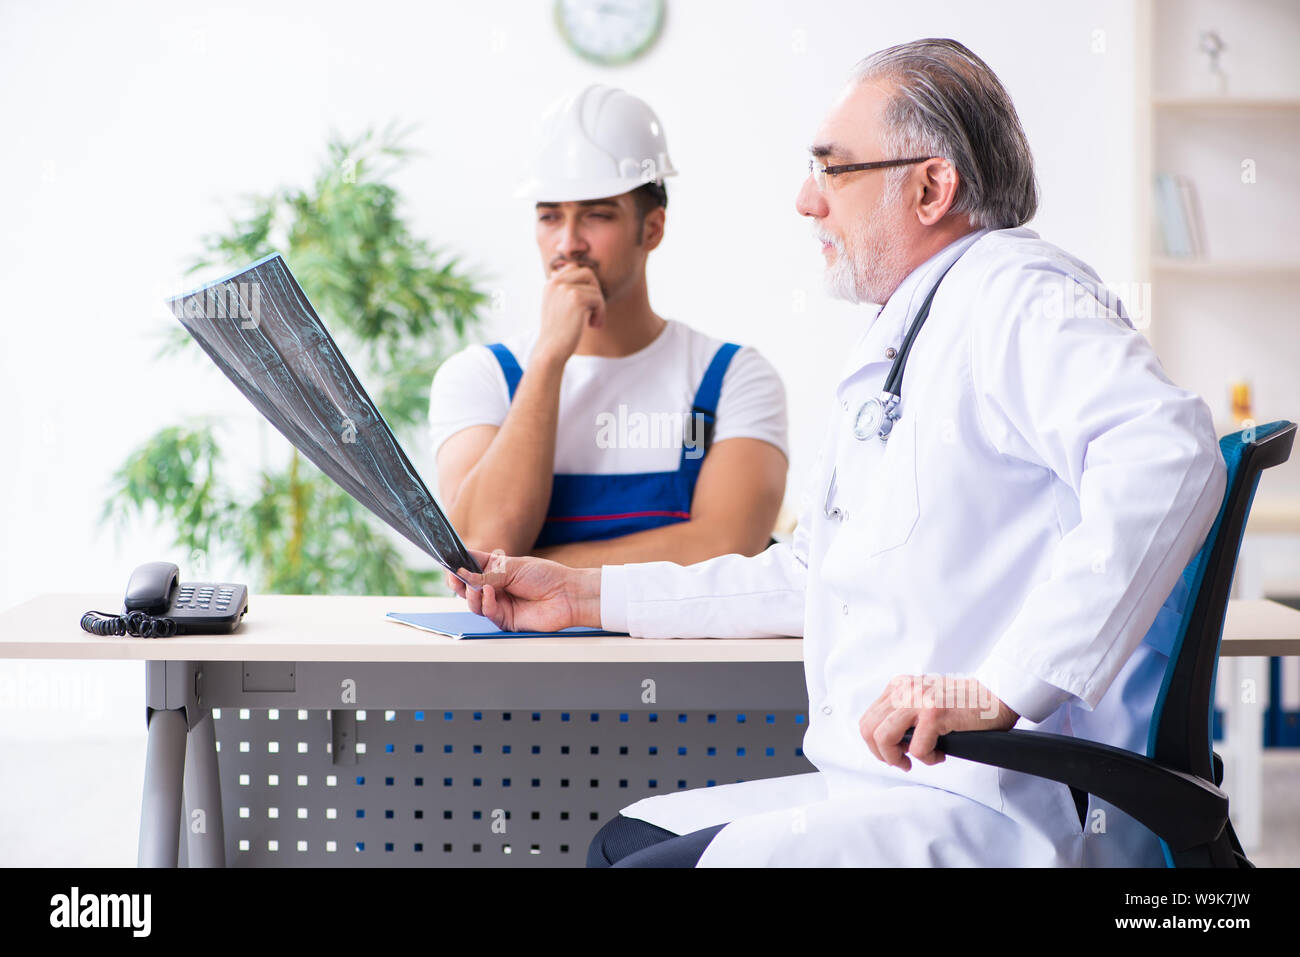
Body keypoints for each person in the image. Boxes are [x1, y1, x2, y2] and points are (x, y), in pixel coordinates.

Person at [450, 38, 1227, 867]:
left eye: (832, 169)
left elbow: (1170, 455)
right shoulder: (909, 339)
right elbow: (805, 573)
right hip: (895, 782)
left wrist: (1005, 685)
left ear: (931, 186)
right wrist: (584, 596)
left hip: (999, 798)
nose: (805, 201)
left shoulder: (1018, 296)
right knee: (625, 838)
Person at [430, 85, 789, 567]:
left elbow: (725, 547)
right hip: (525, 650)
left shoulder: (733, 378)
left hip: (685, 648)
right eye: (550, 217)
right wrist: (548, 360)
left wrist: (533, 570)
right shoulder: (480, 376)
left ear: (653, 228)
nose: (569, 243)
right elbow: (482, 541)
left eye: (597, 216)